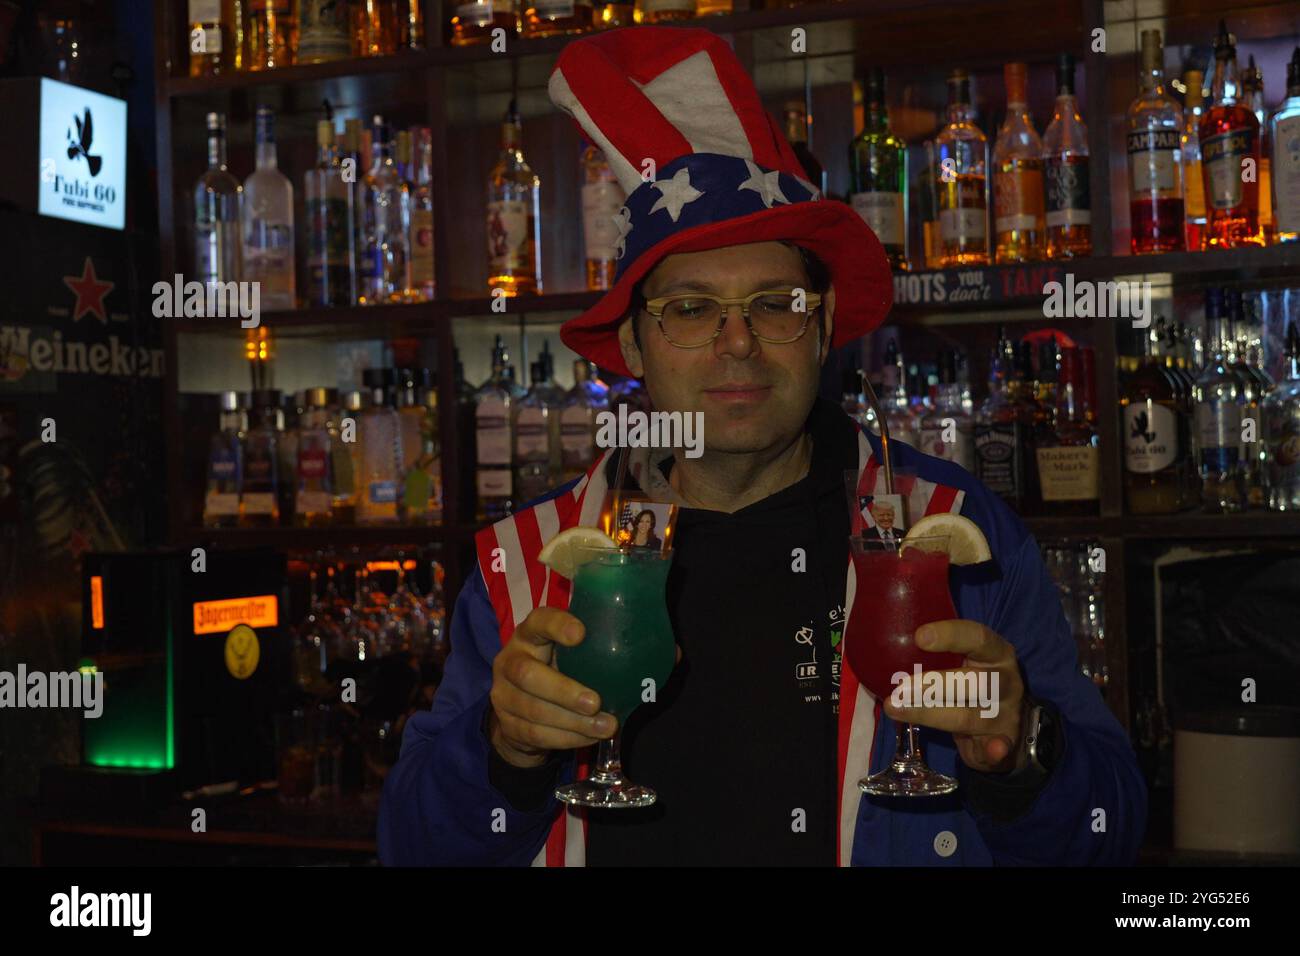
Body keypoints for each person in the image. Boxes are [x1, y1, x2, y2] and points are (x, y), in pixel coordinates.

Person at [379, 26, 1146, 866]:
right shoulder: (527, 565)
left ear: (822, 334)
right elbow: (414, 846)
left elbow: (1112, 834)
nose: (738, 342)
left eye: (776, 304)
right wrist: (505, 751)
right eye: (691, 308)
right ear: (633, 348)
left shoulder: (957, 537)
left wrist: (1024, 751)